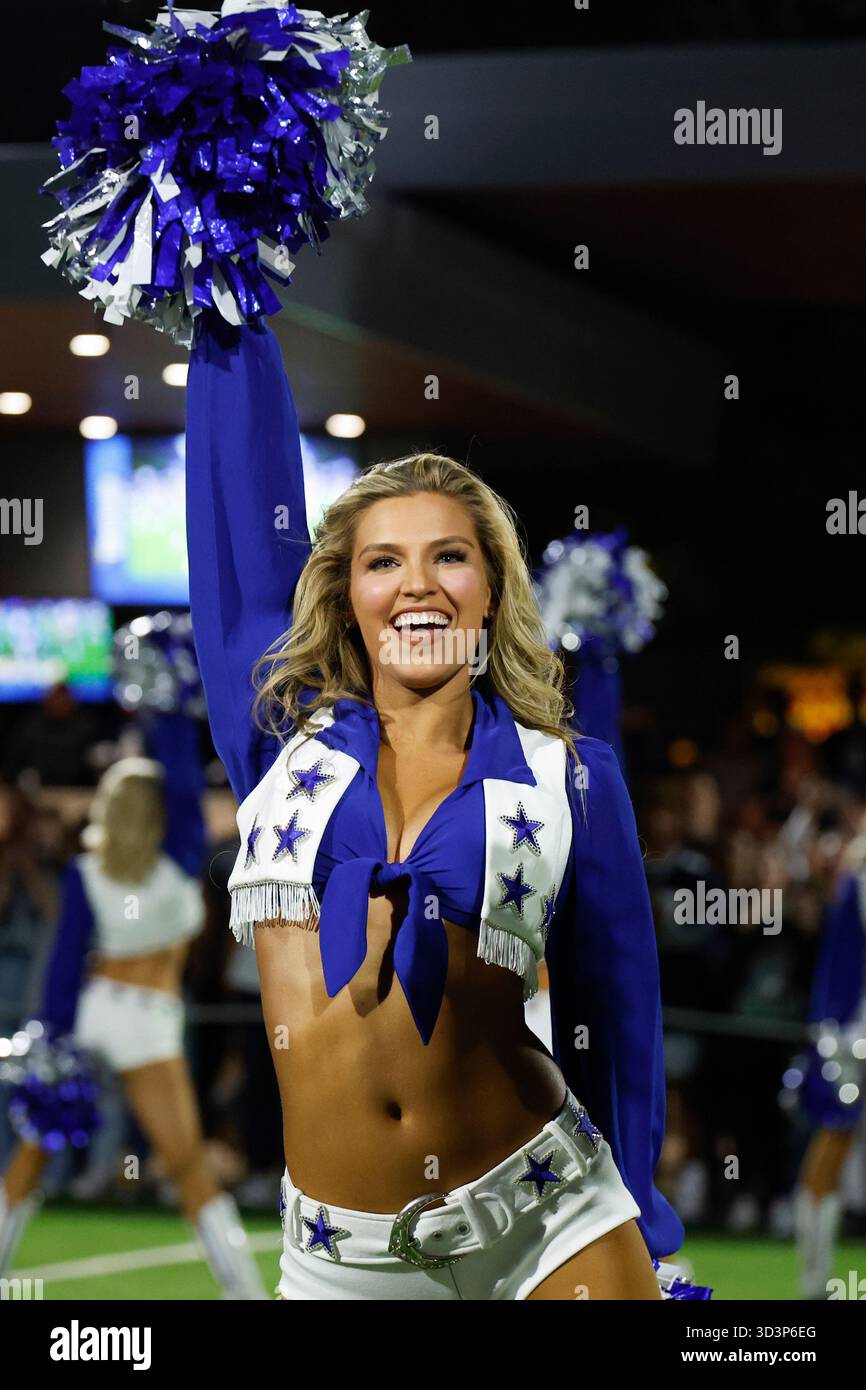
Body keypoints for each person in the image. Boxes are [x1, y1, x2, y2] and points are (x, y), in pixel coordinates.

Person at [183, 312, 694, 1301]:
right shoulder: (276, 736)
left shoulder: (568, 773)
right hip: (343, 1258)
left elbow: (613, 1015)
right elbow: (241, 514)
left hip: (548, 1217)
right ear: (343, 593)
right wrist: (224, 294)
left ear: (492, 587)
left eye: (448, 557)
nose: (416, 584)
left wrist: (645, 1212)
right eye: (382, 562)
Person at [0, 711, 268, 1299]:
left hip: (93, 1011)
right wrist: (165, 711)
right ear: (161, 812)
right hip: (148, 1024)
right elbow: (179, 782)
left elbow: (66, 968)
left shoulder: (86, 872)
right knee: (188, 1166)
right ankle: (244, 1292)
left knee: (32, 1158)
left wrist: (52, 1040)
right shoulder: (177, 860)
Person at [794, 864, 866, 1298]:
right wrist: (825, 1031)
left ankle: (815, 1282)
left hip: (845, 1035)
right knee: (830, 1150)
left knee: (831, 1150)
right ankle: (815, 1281)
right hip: (849, 1039)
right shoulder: (856, 884)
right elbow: (838, 964)